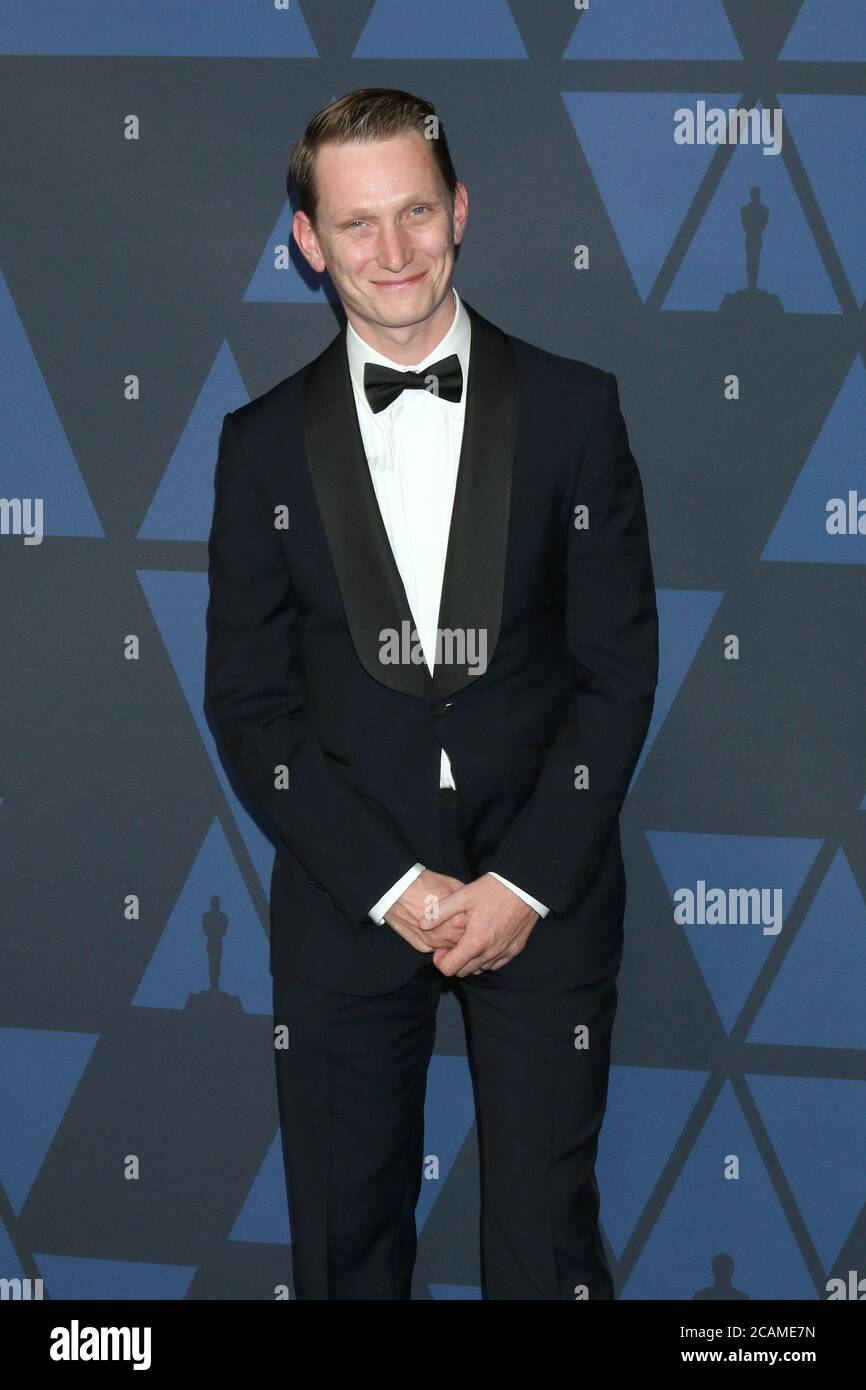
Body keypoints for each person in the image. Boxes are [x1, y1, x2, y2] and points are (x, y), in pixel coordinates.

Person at [204, 87, 659, 1300]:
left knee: (542, 1248)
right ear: (307, 239)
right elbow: (250, 706)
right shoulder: (259, 446)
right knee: (344, 1254)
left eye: (414, 211)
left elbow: (617, 672)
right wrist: (394, 886)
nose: (391, 252)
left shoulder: (573, 410)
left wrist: (519, 884)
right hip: (348, 892)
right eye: (356, 224)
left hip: (541, 888)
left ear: (458, 210)